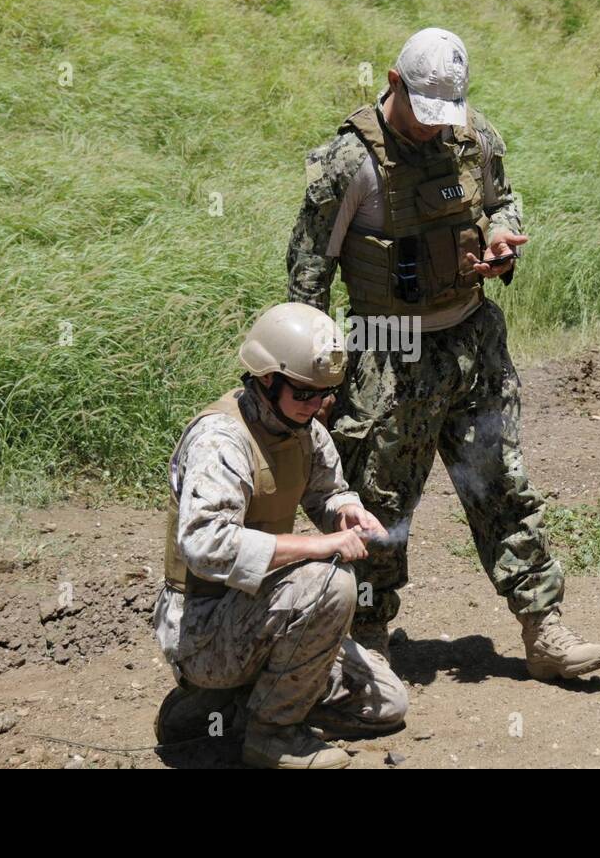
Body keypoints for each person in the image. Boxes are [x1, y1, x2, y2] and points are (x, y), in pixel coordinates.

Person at [286, 27, 600, 681]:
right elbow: (307, 278)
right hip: (388, 349)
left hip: (471, 339)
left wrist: (501, 240)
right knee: (377, 503)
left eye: (447, 116)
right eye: (423, 114)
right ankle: (368, 642)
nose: (436, 130)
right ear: (392, 81)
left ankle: (542, 628)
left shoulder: (476, 137)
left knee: (502, 482)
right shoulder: (347, 166)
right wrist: (310, 380)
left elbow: (502, 201)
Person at [152, 302, 408, 769]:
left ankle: (227, 708)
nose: (317, 406)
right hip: (204, 630)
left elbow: (329, 493)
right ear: (267, 379)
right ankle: (271, 734)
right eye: (305, 394)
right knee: (330, 584)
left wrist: (347, 513)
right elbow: (207, 546)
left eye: (325, 395)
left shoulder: (305, 430)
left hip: (257, 614)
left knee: (386, 703)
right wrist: (321, 546)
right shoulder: (222, 440)